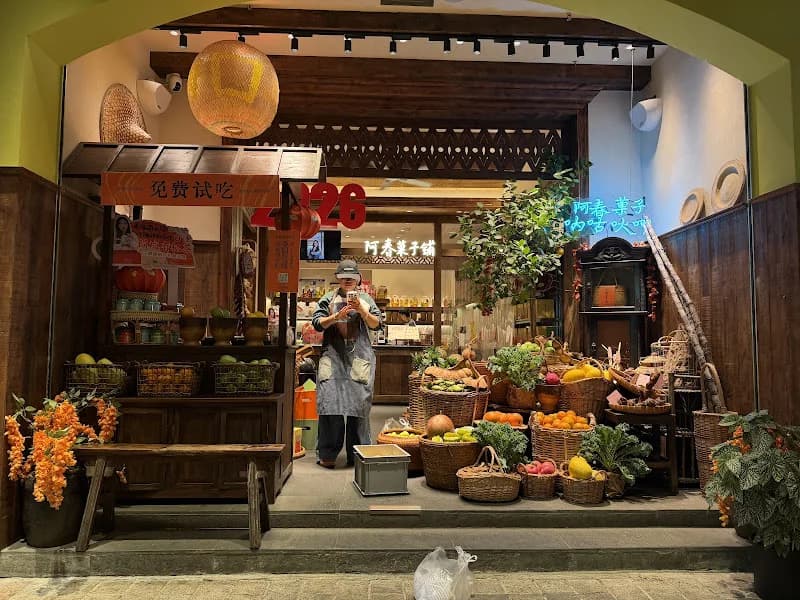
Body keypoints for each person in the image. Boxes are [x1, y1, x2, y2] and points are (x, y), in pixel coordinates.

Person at [312, 259, 382, 468]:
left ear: (358, 279)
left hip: (358, 357)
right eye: (344, 277)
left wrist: (361, 310)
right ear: (338, 279)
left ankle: (358, 454)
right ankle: (327, 454)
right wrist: (335, 317)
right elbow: (317, 324)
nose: (348, 281)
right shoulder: (327, 298)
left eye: (352, 277)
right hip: (333, 356)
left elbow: (376, 324)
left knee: (358, 406)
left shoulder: (366, 298)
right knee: (329, 404)